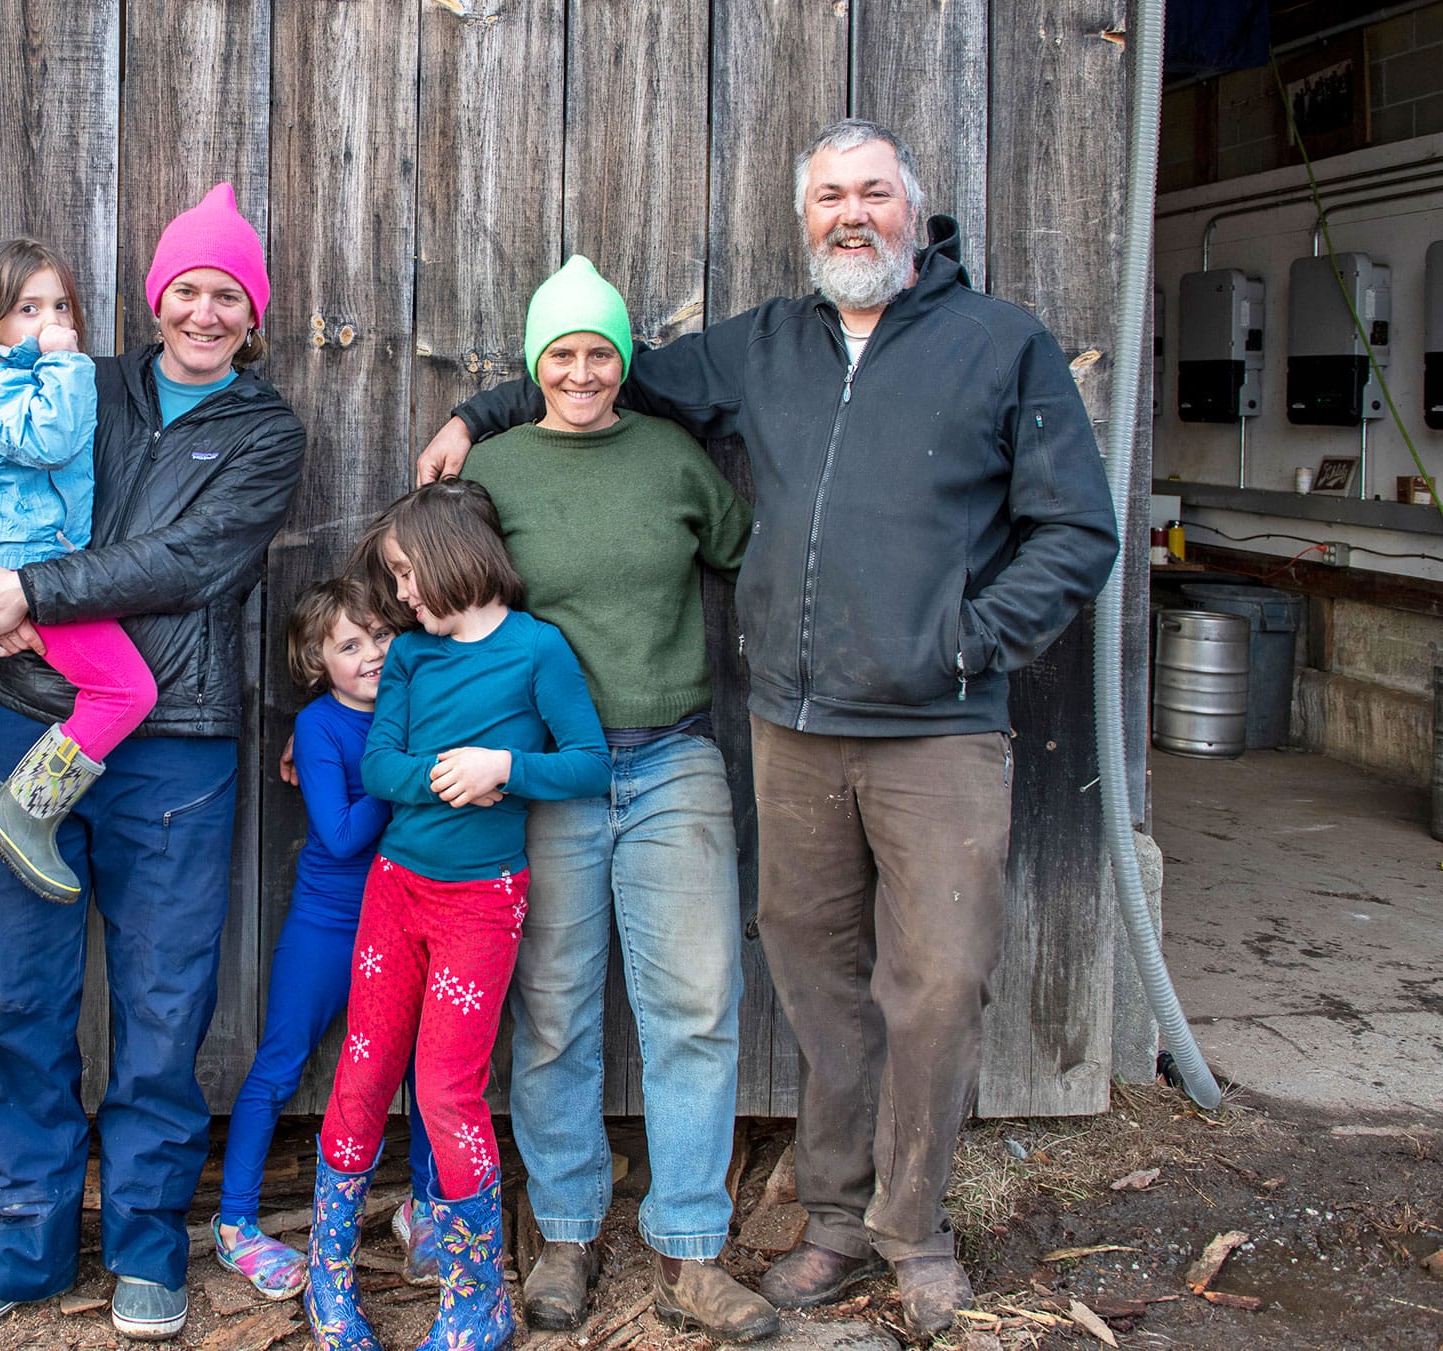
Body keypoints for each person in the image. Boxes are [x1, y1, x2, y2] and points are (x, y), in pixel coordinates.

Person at [419, 119, 1119, 1339]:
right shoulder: (769, 344)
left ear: (914, 207)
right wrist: (483, 412)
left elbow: (1077, 532)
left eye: (875, 193)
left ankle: (917, 1230)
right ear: (806, 221)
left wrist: (965, 638)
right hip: (794, 730)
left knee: (940, 982)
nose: (853, 215)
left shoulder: (997, 345)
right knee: (815, 978)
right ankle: (836, 1220)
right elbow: (605, 369)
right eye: (830, 197)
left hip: (940, 729)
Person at [0, 183, 306, 1342]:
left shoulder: (265, 430)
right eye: (186, 287)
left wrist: (29, 591)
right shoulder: (95, 381)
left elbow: (189, 560)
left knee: (163, 1002)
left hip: (173, 748)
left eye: (227, 292)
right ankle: (21, 1240)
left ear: (253, 311)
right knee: (7, 987)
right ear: (156, 296)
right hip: (34, 718)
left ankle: (144, 1242)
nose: (203, 309)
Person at [449, 256, 777, 1340]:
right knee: (552, 1012)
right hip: (547, 773)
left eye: (602, 353)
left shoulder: (673, 457)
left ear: (624, 363)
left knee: (695, 1004)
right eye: (564, 353)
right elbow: (443, 606)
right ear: (535, 363)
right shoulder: (494, 472)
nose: (583, 373)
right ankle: (568, 1233)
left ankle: (690, 1250)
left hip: (675, 756)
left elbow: (751, 558)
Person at [305, 479, 610, 1351]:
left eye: (406, 574)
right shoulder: (409, 658)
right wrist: (450, 770)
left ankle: (476, 1300)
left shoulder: (537, 652)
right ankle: (329, 1278)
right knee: (363, 1074)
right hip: (396, 890)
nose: (400, 594)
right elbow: (381, 770)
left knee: (445, 1086)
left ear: (450, 558)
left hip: (484, 903)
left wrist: (504, 768)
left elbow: (588, 763)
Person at [213, 577, 441, 1300]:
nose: (372, 653)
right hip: (332, 920)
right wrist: (403, 770)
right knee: (279, 1063)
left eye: (380, 635)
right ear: (317, 660)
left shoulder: (418, 701)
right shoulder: (318, 726)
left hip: (409, 915)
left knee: (425, 1070)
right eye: (350, 644)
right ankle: (237, 1223)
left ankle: (428, 1208)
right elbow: (340, 835)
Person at [0, 236, 156, 902]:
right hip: (22, 561)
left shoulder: (14, 376)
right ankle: (24, 809)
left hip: (32, 558)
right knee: (126, 691)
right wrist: (66, 363)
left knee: (112, 687)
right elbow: (51, 440)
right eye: (29, 308)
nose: (54, 322)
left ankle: (25, 809)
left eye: (61, 305)